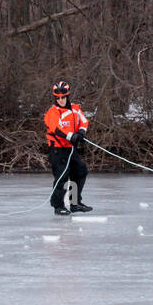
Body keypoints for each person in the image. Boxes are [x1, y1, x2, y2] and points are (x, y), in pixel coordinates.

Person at [43, 81, 92, 216]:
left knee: (80, 172)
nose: (61, 100)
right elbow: (57, 129)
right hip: (57, 150)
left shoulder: (75, 109)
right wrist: (71, 136)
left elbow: (84, 121)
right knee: (62, 177)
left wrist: (81, 132)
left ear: (67, 96)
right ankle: (58, 206)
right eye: (58, 98)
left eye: (63, 97)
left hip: (71, 149)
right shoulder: (52, 112)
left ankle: (75, 203)